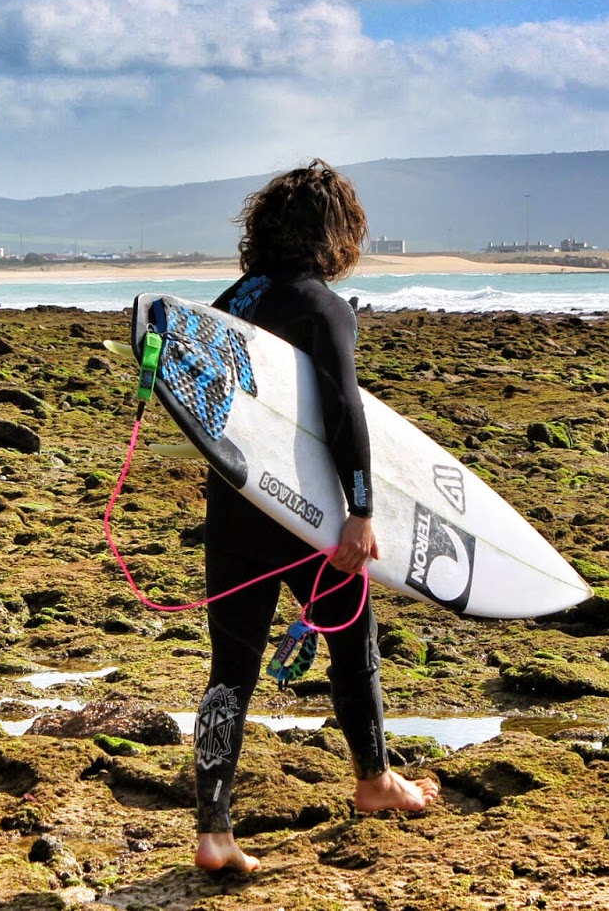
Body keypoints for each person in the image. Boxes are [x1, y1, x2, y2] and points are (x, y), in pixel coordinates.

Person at [193, 159, 439, 874]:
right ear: (335, 232)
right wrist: (360, 511)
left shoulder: (234, 299)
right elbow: (343, 411)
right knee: (351, 638)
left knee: (230, 669)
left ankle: (214, 833)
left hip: (236, 505)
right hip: (304, 514)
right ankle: (374, 780)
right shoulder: (322, 306)